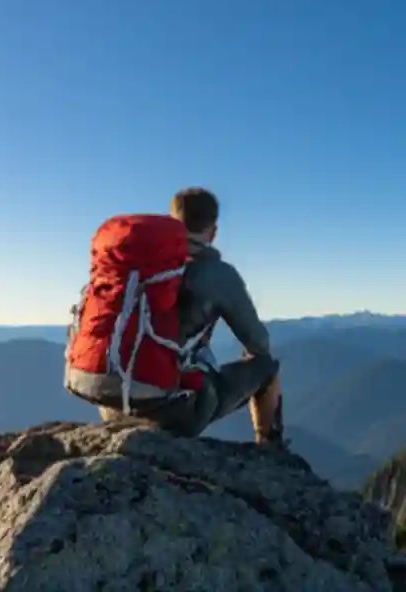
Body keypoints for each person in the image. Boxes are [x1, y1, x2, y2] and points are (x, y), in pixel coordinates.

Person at [86, 188, 284, 445]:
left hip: (111, 400)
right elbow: (259, 344)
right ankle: (269, 448)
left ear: (171, 224)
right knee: (266, 367)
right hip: (174, 412)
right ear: (213, 232)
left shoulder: (135, 268)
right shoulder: (217, 275)